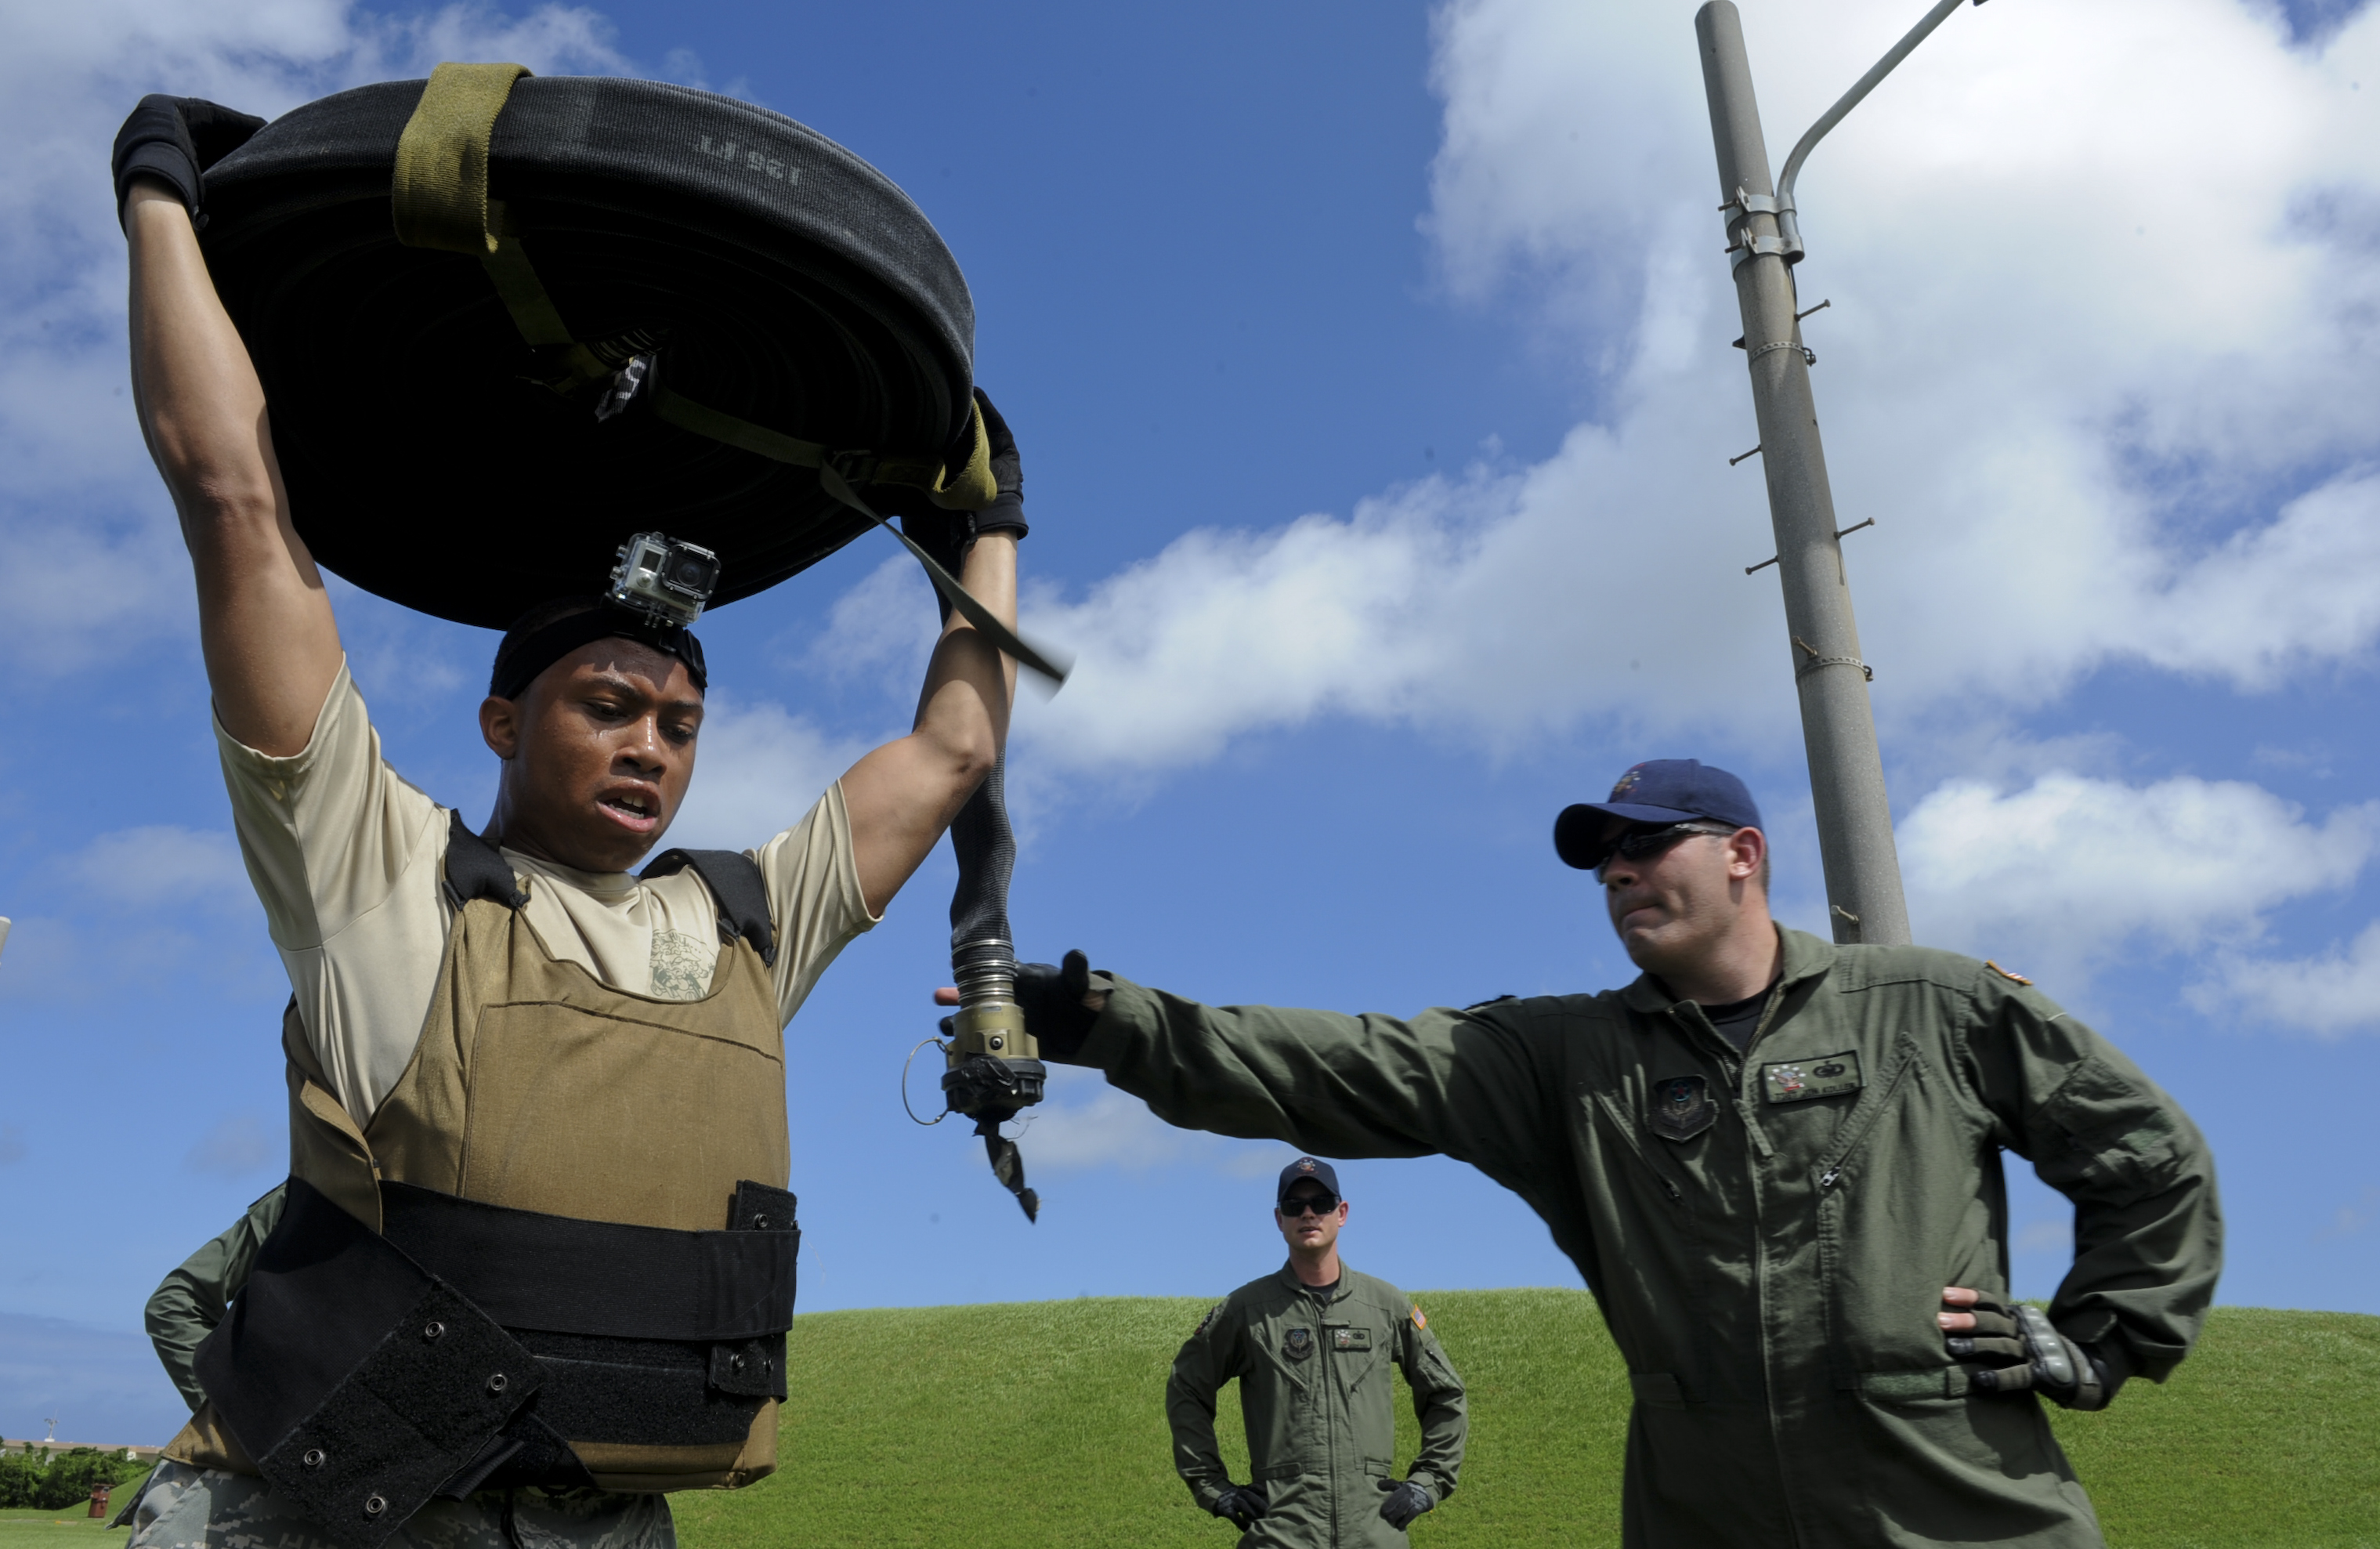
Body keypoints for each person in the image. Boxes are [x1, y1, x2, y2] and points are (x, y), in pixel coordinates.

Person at [117, 92, 1023, 1549]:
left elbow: (954, 745)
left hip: (610, 1519)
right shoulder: (385, 875)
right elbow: (235, 503)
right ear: (502, 722)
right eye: (605, 704)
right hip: (339, 1513)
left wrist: (990, 523)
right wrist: (162, 199)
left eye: (677, 723)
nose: (648, 745)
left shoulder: (740, 925)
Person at [997, 759, 2222, 1548]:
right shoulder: (1566, 1058)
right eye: (1600, 859)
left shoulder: (1927, 1005)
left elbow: (2150, 1159)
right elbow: (1341, 1063)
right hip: (1706, 1514)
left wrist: (2103, 1338)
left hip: (1955, 1514)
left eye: (1648, 841)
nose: (1618, 869)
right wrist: (1113, 1022)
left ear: (1742, 852)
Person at [1166, 1158, 1466, 1548]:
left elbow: (1446, 1393)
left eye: (1321, 1203)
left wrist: (1427, 1482)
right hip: (1280, 1534)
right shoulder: (1247, 1311)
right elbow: (1186, 1387)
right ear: (1279, 1219)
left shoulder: (1385, 1306)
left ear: (1341, 1213)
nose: (1308, 1213)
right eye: (1295, 1206)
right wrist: (1215, 1489)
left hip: (1374, 1534)